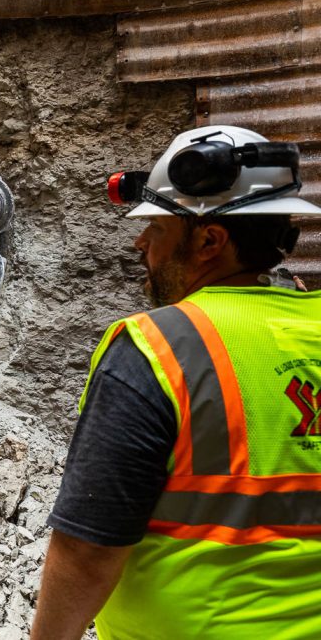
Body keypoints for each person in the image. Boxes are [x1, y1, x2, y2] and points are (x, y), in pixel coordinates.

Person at [31, 125, 321, 639]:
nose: (141, 242)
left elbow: (89, 546)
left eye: (158, 229)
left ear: (210, 240)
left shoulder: (160, 347)